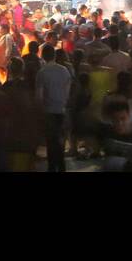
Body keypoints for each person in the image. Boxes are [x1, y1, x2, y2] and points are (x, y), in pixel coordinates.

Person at [36, 44, 73, 172]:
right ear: (54, 55)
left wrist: (40, 111)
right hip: (62, 110)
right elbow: (67, 92)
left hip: (48, 111)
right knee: (60, 140)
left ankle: (52, 167)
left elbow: (39, 96)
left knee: (51, 141)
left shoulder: (42, 72)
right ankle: (61, 167)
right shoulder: (64, 70)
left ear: (43, 56)